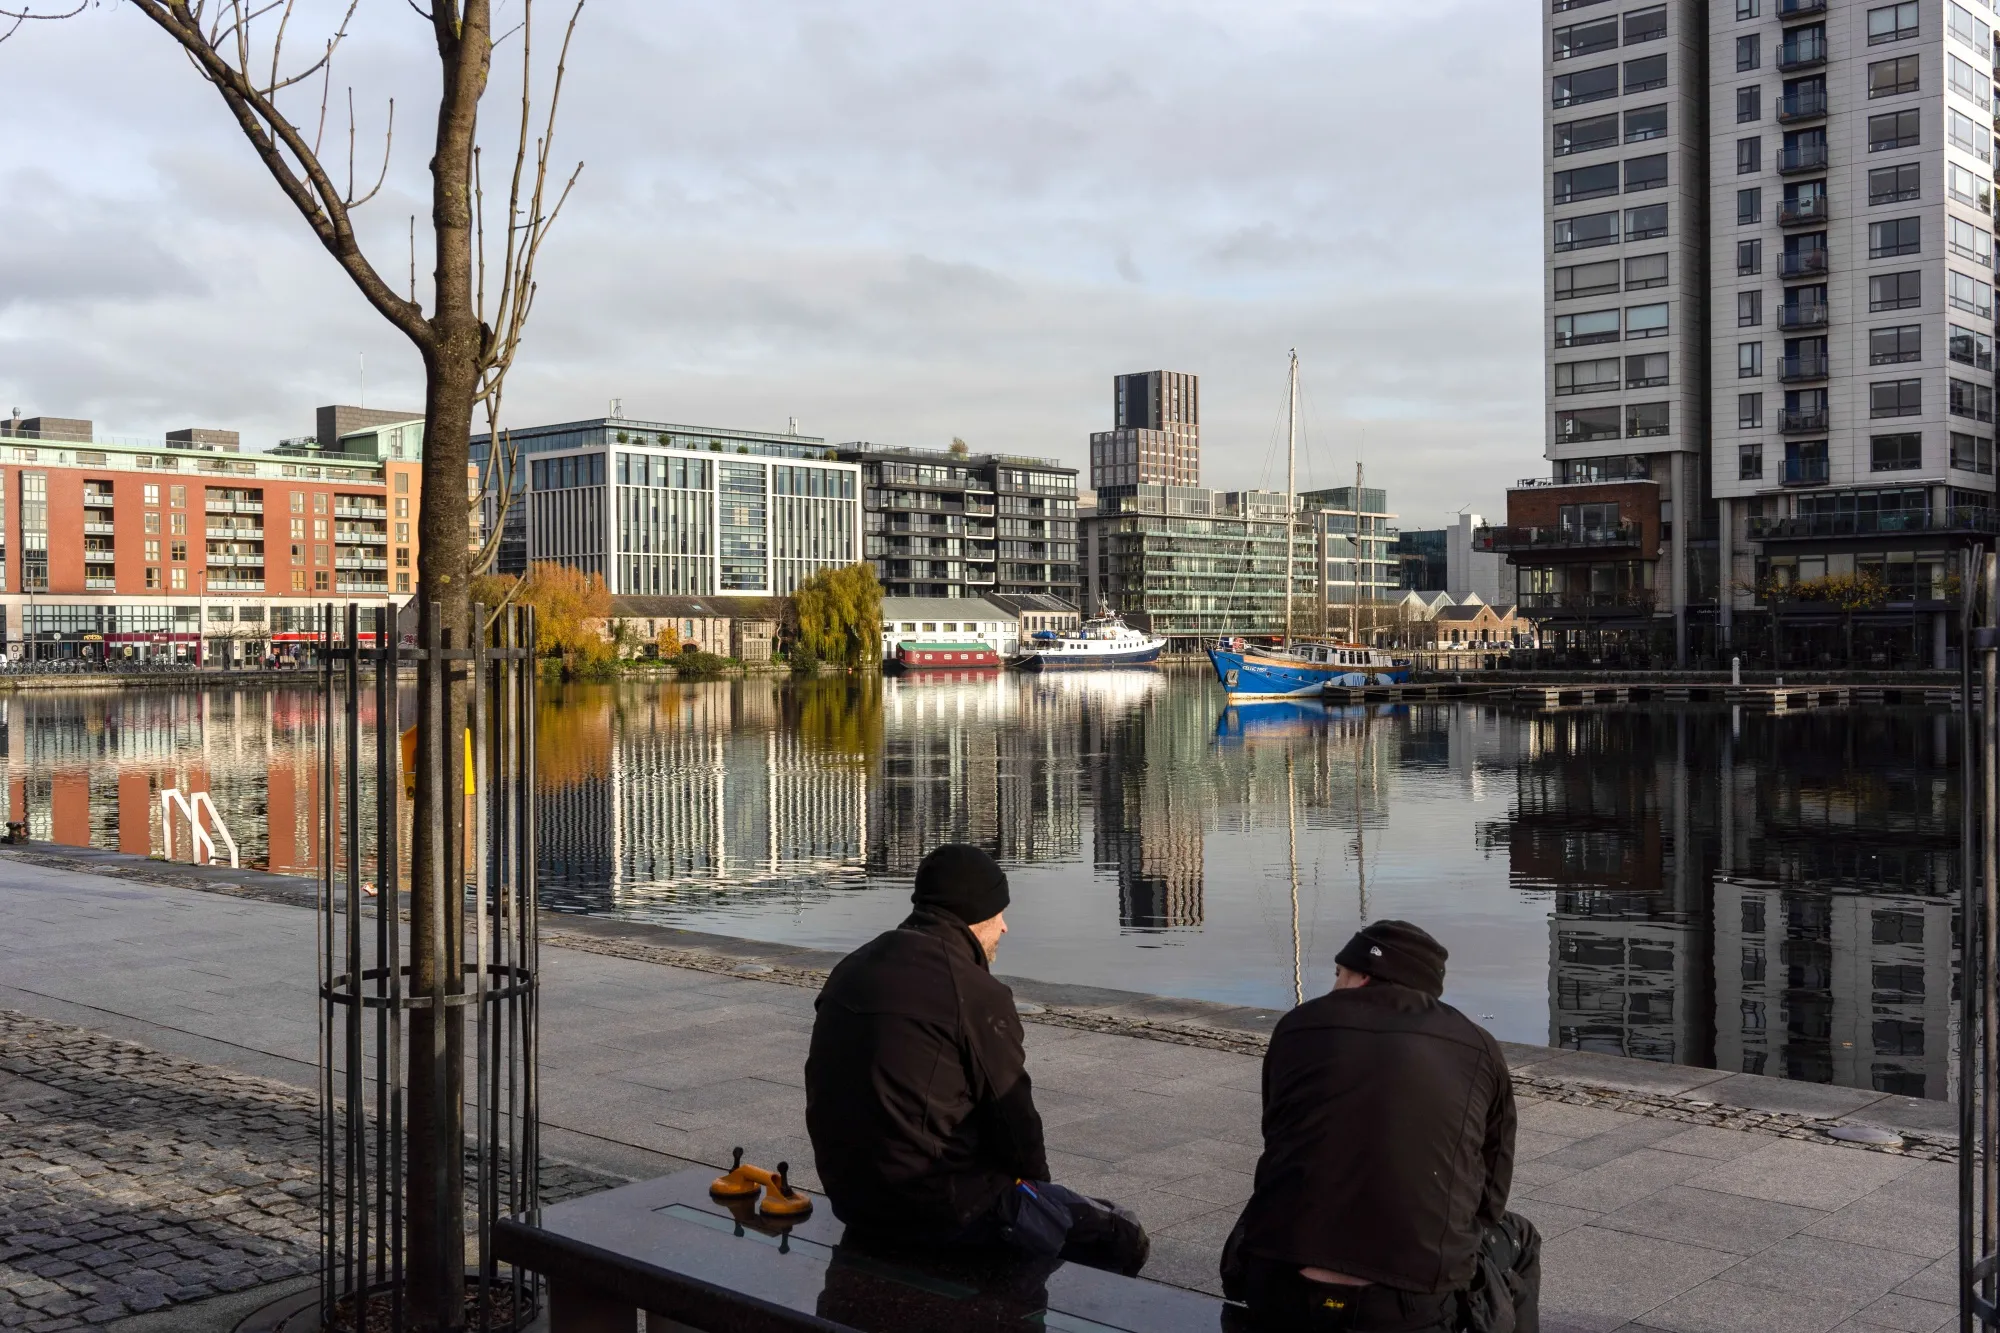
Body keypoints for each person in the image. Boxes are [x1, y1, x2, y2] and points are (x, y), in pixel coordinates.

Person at [805, 843, 1149, 1276]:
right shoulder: (973, 991)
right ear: (975, 914)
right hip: (938, 1210)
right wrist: (1036, 1197)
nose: (1004, 928)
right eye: (998, 914)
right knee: (1119, 1234)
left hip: (853, 1199)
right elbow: (1013, 1120)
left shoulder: (851, 968)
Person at [1224, 920, 1540, 1333]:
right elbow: (1491, 1198)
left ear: (1364, 976)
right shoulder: (1476, 1045)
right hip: (1411, 1308)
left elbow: (1278, 1133)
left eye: (1339, 974)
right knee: (1521, 1237)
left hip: (1279, 1292)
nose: (1334, 986)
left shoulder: (1297, 1026)